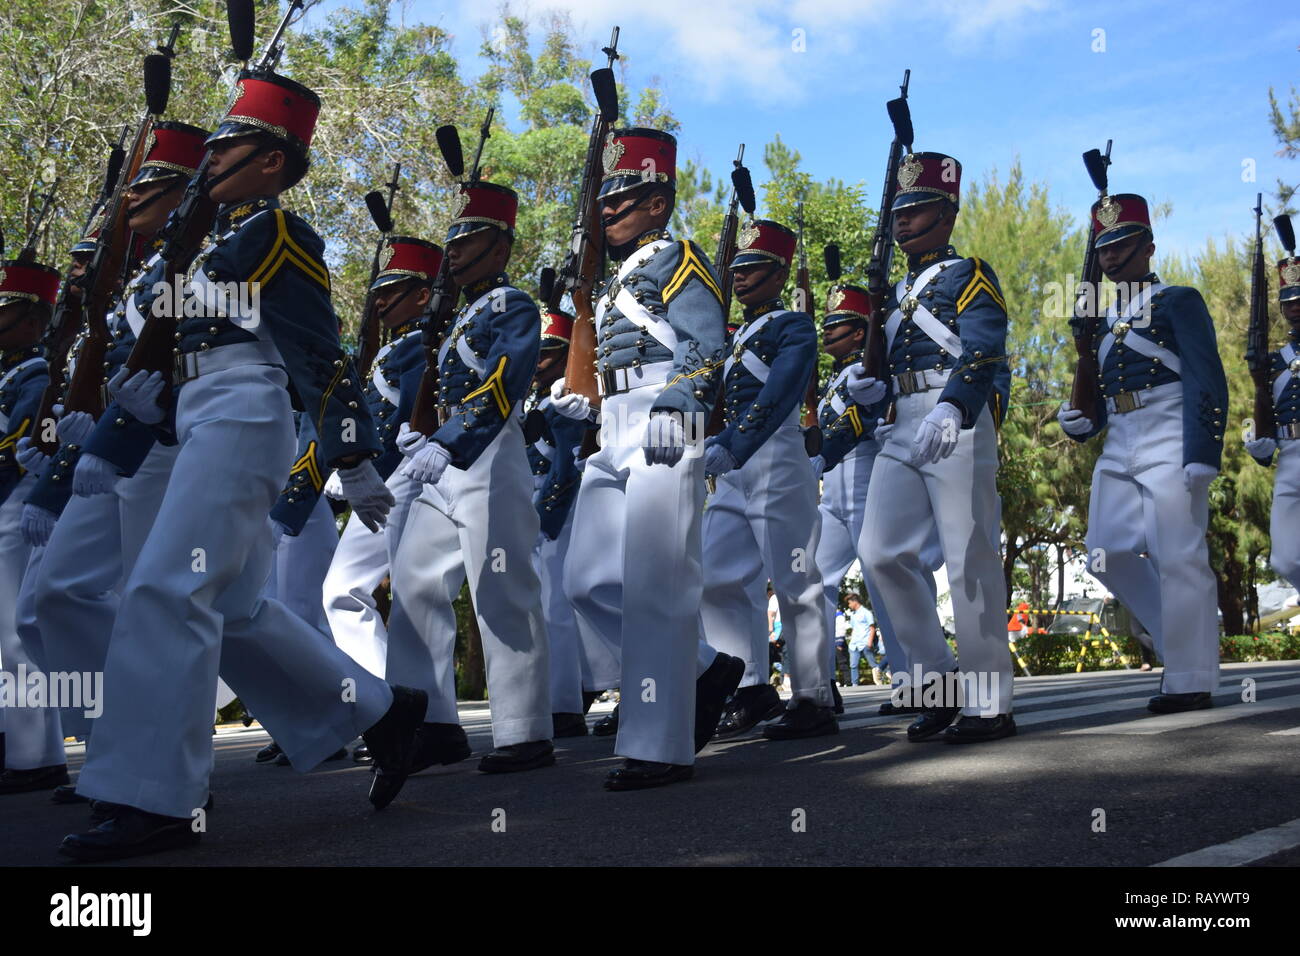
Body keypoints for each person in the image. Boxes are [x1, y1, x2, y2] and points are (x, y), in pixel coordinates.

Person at [61, 68, 426, 862]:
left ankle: (152, 799)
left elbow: (320, 353)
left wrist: (351, 451)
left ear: (272, 162)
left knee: (169, 588)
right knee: (224, 609)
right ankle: (379, 709)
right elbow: (151, 348)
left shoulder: (276, 237)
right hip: (178, 421)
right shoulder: (185, 247)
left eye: (227, 148)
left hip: (242, 411)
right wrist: (122, 425)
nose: (208, 160)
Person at [552, 127, 742, 789]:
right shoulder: (610, 284)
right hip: (616, 425)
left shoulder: (679, 258)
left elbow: (707, 345)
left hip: (665, 418)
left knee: (659, 583)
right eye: (604, 202)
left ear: (659, 203)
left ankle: (658, 745)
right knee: (587, 580)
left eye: (624, 200)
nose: (609, 211)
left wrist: (681, 405)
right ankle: (700, 667)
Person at [386, 180, 555, 773]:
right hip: (441, 460)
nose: (453, 250)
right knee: (413, 585)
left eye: (470, 238)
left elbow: (504, 381)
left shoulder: (514, 305)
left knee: (500, 587)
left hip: (488, 456)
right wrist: (419, 432)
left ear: (502, 248)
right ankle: (430, 721)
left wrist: (450, 440)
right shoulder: (457, 318)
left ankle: (524, 730)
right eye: (451, 239)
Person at [849, 150, 1016, 743]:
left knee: (969, 557)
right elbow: (883, 365)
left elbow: (984, 346)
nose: (904, 223)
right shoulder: (890, 293)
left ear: (947, 215)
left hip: (956, 418)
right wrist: (871, 390)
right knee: (880, 551)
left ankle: (989, 703)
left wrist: (956, 403)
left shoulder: (968, 272)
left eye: (918, 210)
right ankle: (939, 682)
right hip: (903, 423)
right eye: (899, 212)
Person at [1058, 192, 1228, 714]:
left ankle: (1191, 676)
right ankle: (1179, 644)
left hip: (1171, 429)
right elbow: (1104, 396)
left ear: (1148, 247)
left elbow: (1206, 377)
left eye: (1122, 245)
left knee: (1178, 554)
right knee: (1104, 551)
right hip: (1122, 436)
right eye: (1105, 248)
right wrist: (1084, 420)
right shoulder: (1102, 322)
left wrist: (1203, 448)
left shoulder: (1178, 300)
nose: (1111, 257)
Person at [692, 218, 834, 740]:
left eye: (754, 269)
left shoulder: (792, 327)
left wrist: (733, 443)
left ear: (778, 277)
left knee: (795, 579)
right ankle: (750, 685)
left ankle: (814, 696)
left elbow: (778, 392)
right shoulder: (730, 336)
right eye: (737, 270)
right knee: (715, 575)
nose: (742, 278)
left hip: (773, 454)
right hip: (731, 463)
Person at [810, 281, 942, 715]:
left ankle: (914, 678)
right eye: (827, 327)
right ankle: (819, 683)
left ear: (860, 335)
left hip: (867, 472)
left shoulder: (870, 371)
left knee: (884, 574)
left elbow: (864, 416)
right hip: (834, 484)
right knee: (817, 576)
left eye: (840, 327)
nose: (828, 335)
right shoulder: (834, 377)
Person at [0, 256, 57, 792]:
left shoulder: (35, 372)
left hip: (16, 499)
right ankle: (23, 749)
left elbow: (17, 442)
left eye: (8, 313)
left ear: (36, 323)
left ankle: (35, 756)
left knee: (17, 633)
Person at [1244, 238, 1300, 594]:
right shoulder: (1274, 363)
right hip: (1289, 459)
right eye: (1288, 302)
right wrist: (1260, 442)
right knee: (1284, 560)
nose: (1294, 308)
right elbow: (1264, 436)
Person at [845, 593, 880, 686]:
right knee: (853, 665)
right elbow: (854, 629)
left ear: (855, 602)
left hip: (865, 642)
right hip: (854, 644)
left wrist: (869, 642)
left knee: (873, 664)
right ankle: (854, 685)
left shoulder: (866, 613)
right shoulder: (853, 615)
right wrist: (851, 641)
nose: (849, 605)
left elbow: (872, 628)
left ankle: (881, 680)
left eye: (849, 603)